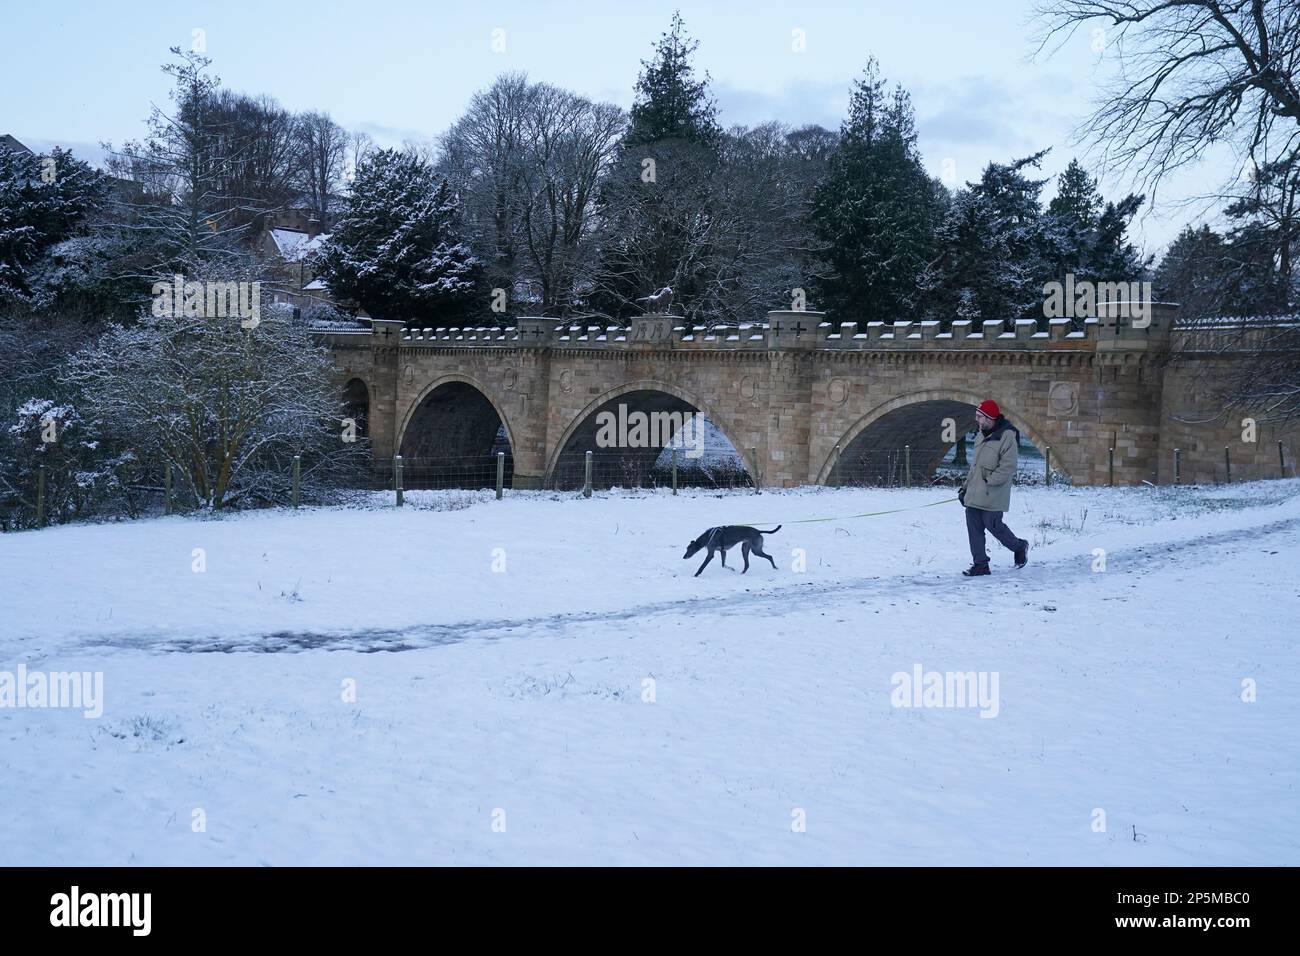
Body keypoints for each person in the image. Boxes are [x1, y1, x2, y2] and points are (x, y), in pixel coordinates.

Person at [958, 399, 1029, 576]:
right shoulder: (981, 435)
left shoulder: (1007, 437)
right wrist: (964, 488)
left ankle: (1019, 546)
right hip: (975, 492)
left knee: (993, 525)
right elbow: (975, 467)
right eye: (977, 416)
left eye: (980, 417)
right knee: (973, 525)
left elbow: (1008, 466)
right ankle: (980, 564)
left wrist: (989, 481)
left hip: (993, 493)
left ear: (990, 418)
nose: (978, 420)